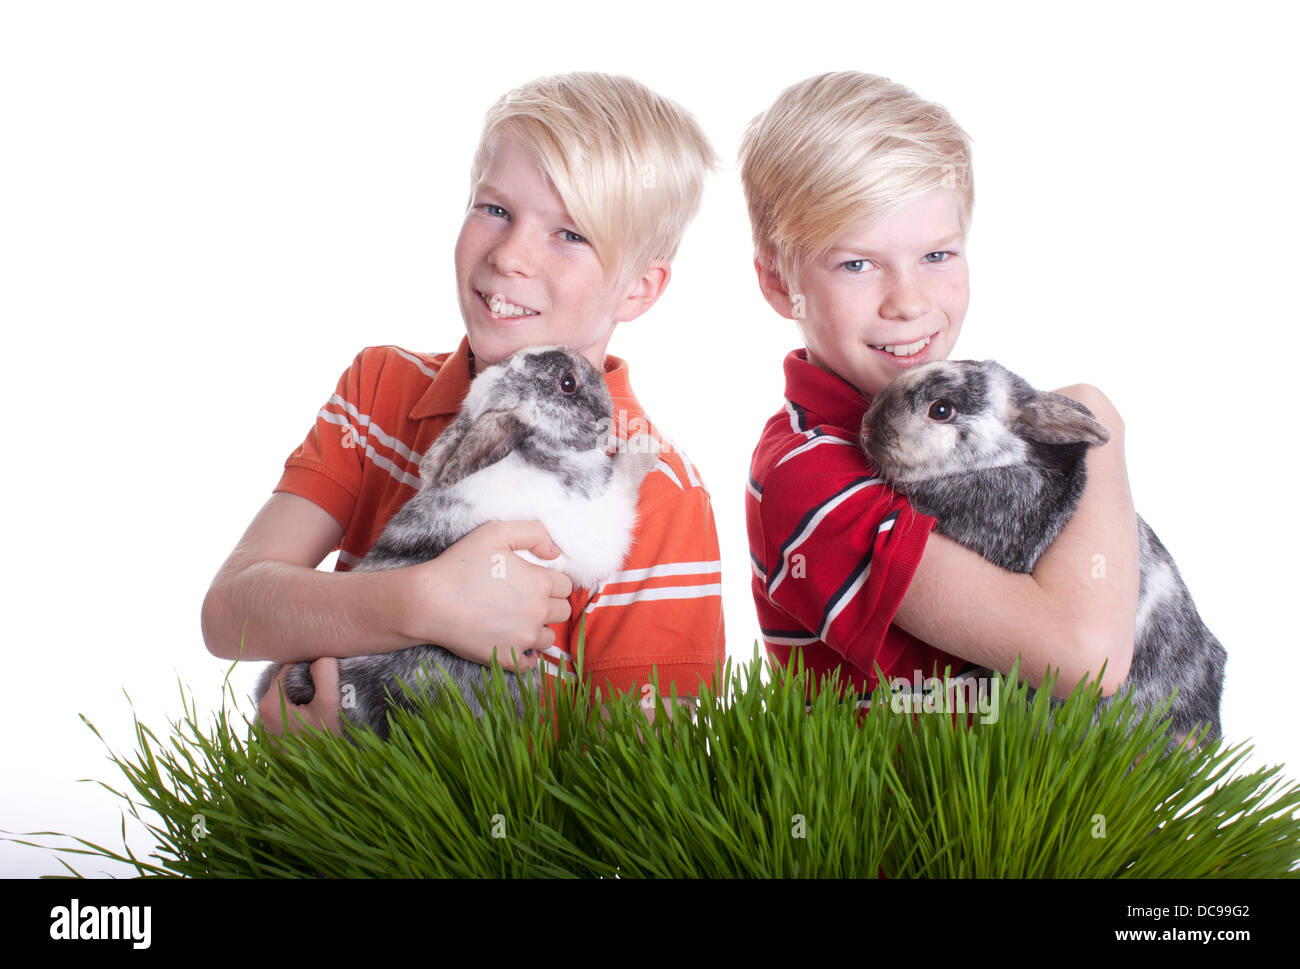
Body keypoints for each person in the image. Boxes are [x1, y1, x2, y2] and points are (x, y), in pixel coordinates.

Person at [202, 72, 725, 734]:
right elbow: (229, 611)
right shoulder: (380, 388)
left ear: (639, 290)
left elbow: (641, 798)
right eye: (495, 210)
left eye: (570, 234)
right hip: (304, 819)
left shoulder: (659, 493)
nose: (510, 256)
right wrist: (423, 601)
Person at [740, 72, 1138, 704]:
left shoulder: (971, 427)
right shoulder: (811, 475)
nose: (908, 302)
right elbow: (1086, 656)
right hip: (915, 804)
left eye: (937, 256)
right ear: (778, 283)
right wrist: (1096, 433)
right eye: (857, 264)